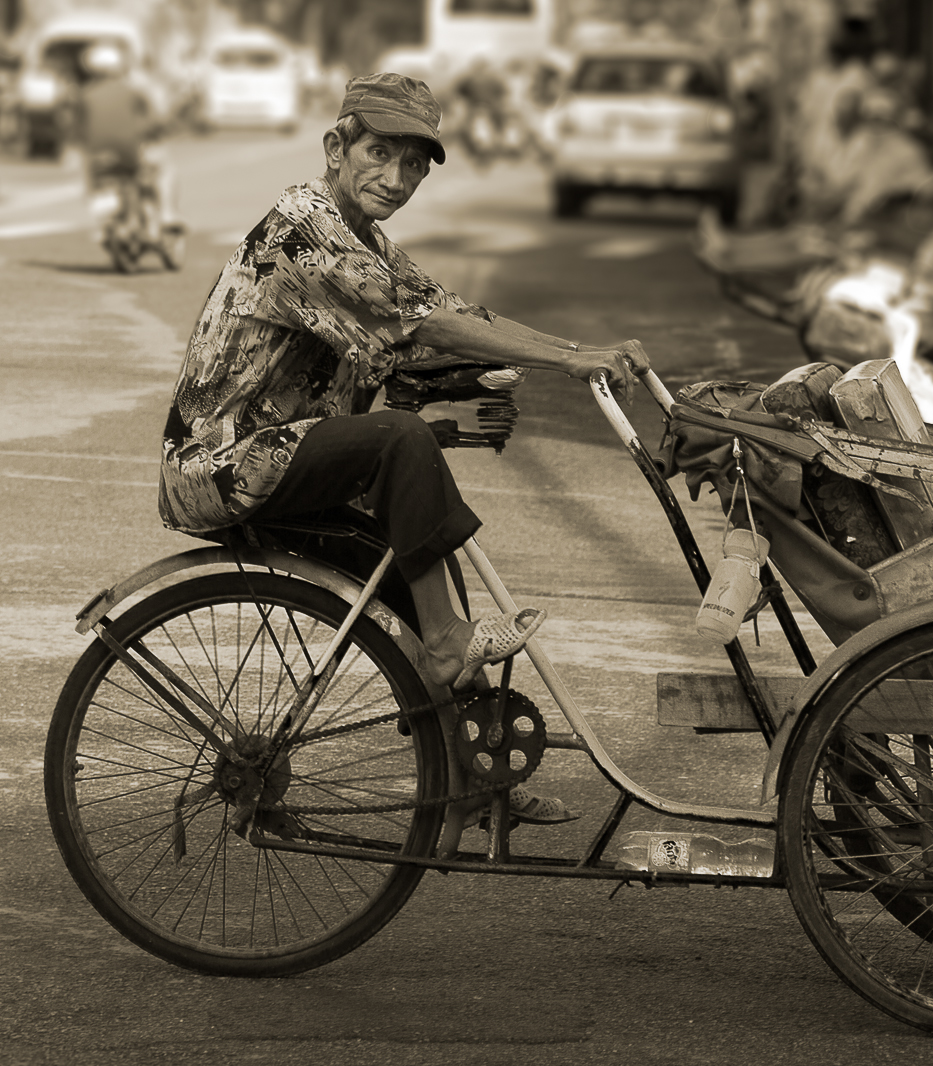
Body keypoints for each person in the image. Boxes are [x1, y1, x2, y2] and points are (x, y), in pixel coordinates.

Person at [157, 73, 649, 824]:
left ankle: (476, 784)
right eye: (379, 153)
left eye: (413, 164)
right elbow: (419, 326)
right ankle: (450, 647)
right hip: (224, 463)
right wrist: (574, 356)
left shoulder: (370, 241)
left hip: (290, 456)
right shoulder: (303, 226)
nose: (395, 178)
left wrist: (582, 353)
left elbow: (449, 309)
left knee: (426, 571)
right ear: (336, 148)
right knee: (402, 442)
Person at [75, 42, 180, 243]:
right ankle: (167, 213)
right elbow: (153, 120)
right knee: (162, 169)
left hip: (97, 156)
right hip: (129, 152)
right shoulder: (132, 91)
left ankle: (104, 219)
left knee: (92, 176)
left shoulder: (84, 95)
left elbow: (78, 129)